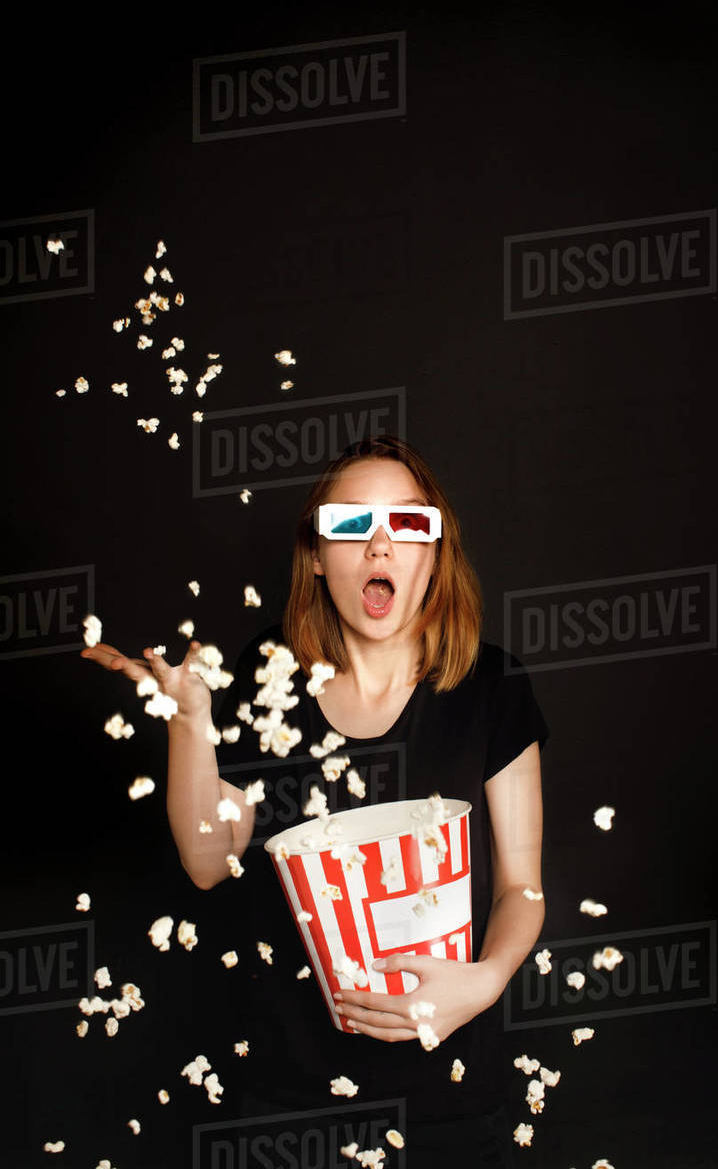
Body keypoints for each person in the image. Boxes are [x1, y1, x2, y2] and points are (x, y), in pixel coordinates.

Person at [82, 435, 549, 1167]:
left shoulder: (494, 687)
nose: (380, 544)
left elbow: (522, 887)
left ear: (434, 552)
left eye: (407, 522)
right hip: (289, 1104)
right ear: (318, 555)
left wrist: (485, 983)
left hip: (451, 1096)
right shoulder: (269, 674)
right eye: (351, 523)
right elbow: (207, 860)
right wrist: (190, 722)